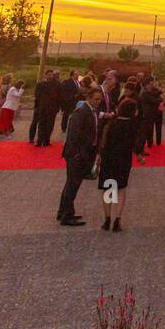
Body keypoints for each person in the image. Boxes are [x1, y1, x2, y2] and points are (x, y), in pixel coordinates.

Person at [58, 87, 101, 226]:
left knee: (71, 184)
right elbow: (73, 135)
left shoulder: (91, 111)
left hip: (83, 153)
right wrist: (78, 154)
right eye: (96, 99)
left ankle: (64, 211)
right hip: (76, 155)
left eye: (100, 100)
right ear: (88, 98)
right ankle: (66, 216)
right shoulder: (82, 112)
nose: (98, 102)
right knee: (72, 185)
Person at [97, 86, 136, 231]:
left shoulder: (111, 124)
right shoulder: (132, 126)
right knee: (121, 188)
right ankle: (117, 219)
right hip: (124, 159)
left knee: (109, 188)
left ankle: (107, 218)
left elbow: (103, 141)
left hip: (109, 159)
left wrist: (99, 155)